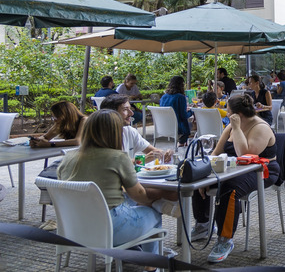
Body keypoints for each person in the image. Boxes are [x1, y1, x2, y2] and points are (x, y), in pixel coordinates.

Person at [57, 110, 163, 268]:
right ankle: (151, 267)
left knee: (132, 207)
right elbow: (139, 195)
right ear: (115, 132)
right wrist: (160, 197)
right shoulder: (118, 157)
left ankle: (135, 254)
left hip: (73, 229)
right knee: (154, 213)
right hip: (111, 230)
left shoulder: (68, 158)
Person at [191, 94, 280, 263]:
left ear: (237, 114)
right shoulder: (230, 127)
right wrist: (204, 171)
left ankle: (225, 239)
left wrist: (238, 128)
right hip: (231, 169)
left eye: (228, 111)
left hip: (261, 170)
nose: (225, 113)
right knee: (197, 178)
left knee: (230, 189)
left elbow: (245, 155)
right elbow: (215, 153)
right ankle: (202, 224)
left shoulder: (261, 127)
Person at [101, 94, 173, 162]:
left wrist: (165, 153)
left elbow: (152, 151)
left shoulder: (129, 131)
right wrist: (142, 160)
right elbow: (115, 166)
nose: (131, 113)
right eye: (125, 109)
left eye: (130, 108)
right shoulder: (101, 138)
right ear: (112, 113)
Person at [159, 76, 193, 146]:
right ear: (181, 85)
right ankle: (182, 142)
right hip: (177, 127)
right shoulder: (180, 97)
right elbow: (184, 116)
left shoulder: (164, 97)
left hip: (163, 126)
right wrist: (191, 112)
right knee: (191, 124)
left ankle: (182, 142)